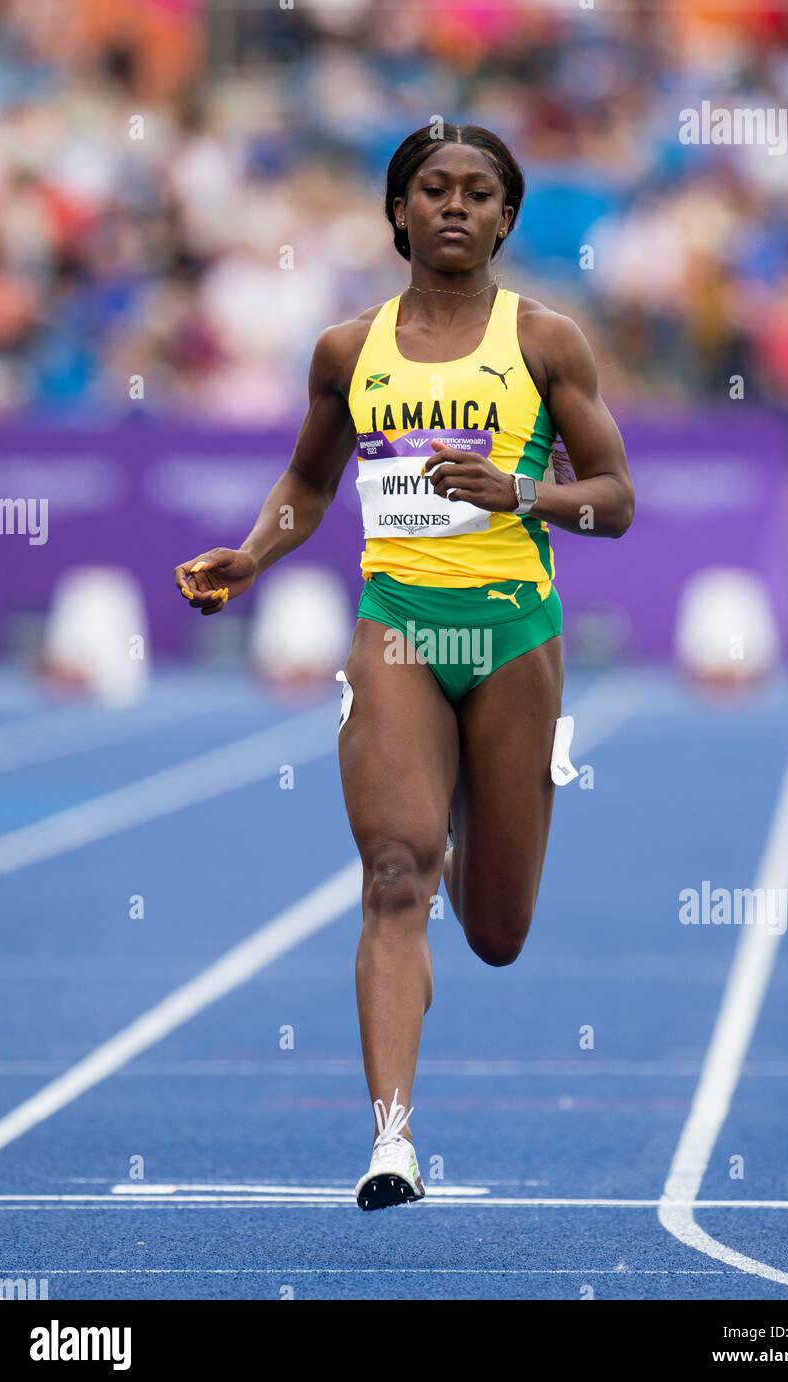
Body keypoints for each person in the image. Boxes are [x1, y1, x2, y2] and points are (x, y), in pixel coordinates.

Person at [173, 124, 634, 1211]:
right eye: (433, 189)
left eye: (479, 192)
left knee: (496, 933)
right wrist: (252, 553)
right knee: (391, 873)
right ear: (397, 211)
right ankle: (391, 1142)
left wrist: (518, 493)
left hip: (512, 636)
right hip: (395, 629)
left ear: (506, 217)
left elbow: (614, 499)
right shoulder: (345, 350)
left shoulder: (545, 342)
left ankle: (471, 822)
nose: (455, 206)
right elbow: (306, 479)